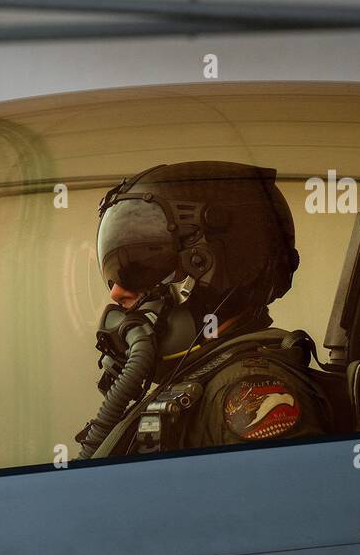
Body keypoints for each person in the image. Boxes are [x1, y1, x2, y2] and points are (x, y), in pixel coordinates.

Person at [76, 161, 333, 458]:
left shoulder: (247, 390)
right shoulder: (206, 379)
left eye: (139, 270)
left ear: (208, 270)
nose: (116, 292)